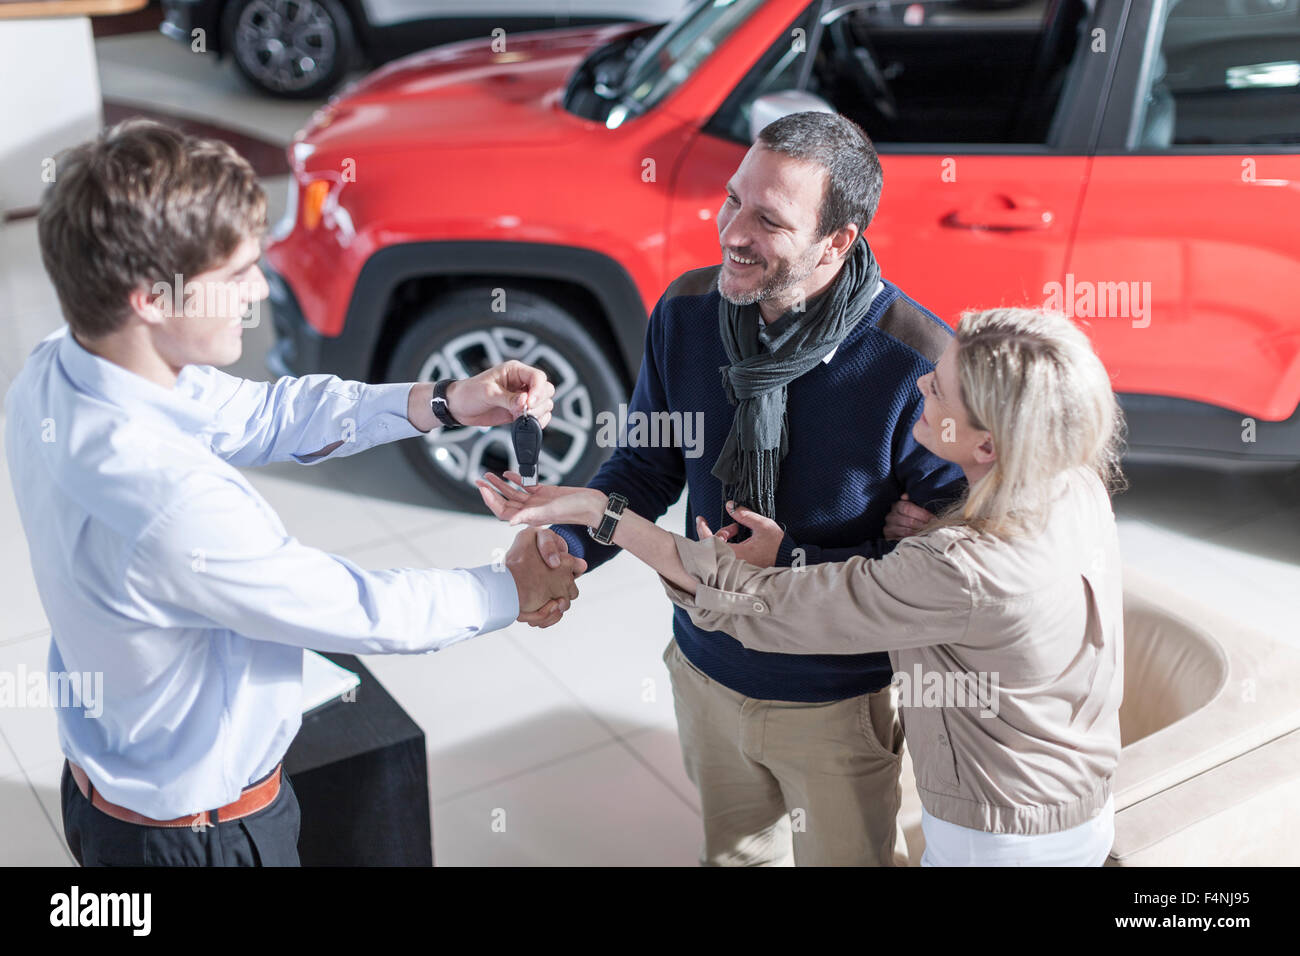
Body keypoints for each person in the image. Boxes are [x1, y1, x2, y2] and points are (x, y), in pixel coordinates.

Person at [3, 119, 584, 866]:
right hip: (203, 840)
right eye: (238, 273)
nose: (259, 289)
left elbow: (263, 414)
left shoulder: (59, 368)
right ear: (150, 296)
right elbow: (360, 610)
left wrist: (444, 400)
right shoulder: (166, 501)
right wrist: (512, 586)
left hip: (110, 790)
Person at [478, 306, 1127, 867]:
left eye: (940, 391)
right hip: (1067, 803)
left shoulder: (964, 567)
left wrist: (604, 515)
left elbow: (765, 604)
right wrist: (924, 533)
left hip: (998, 840)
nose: (922, 380)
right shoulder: (1073, 486)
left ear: (985, 446)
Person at [507, 111, 967, 866]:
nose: (733, 232)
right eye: (732, 201)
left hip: (837, 701)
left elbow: (947, 565)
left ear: (837, 242)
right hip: (703, 667)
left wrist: (796, 561)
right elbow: (646, 467)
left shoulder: (917, 365)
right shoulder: (686, 314)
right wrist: (566, 545)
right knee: (734, 859)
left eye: (768, 220)